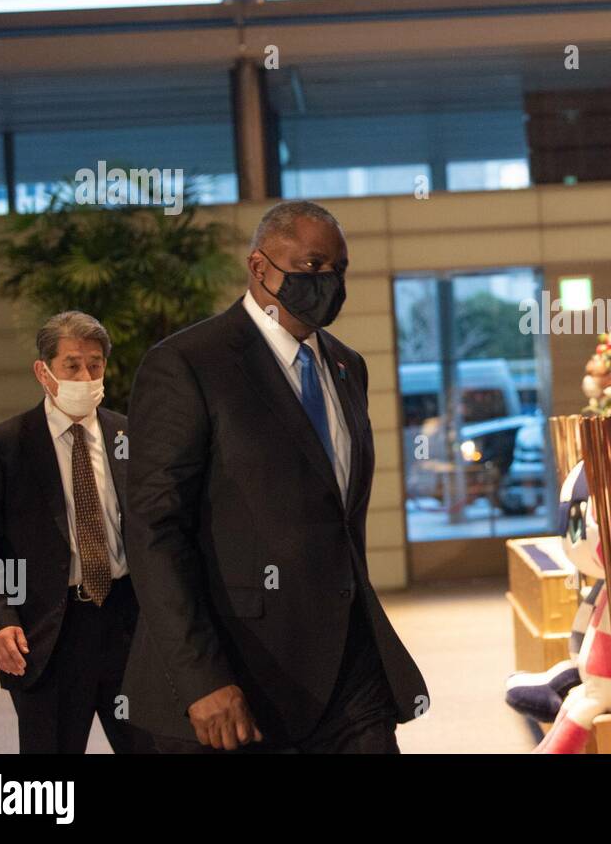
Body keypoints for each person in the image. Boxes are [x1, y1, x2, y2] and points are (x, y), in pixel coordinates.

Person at [122, 199, 428, 753]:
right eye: (312, 266)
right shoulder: (189, 363)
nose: (327, 281)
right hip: (238, 673)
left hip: (349, 668)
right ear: (259, 267)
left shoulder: (346, 365)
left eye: (338, 269)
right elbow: (153, 531)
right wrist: (202, 679)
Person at [0, 310, 143, 753]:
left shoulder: (130, 436)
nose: (86, 375)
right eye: (72, 365)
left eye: (95, 364)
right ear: (44, 371)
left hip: (130, 625)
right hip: (51, 632)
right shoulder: (4, 446)